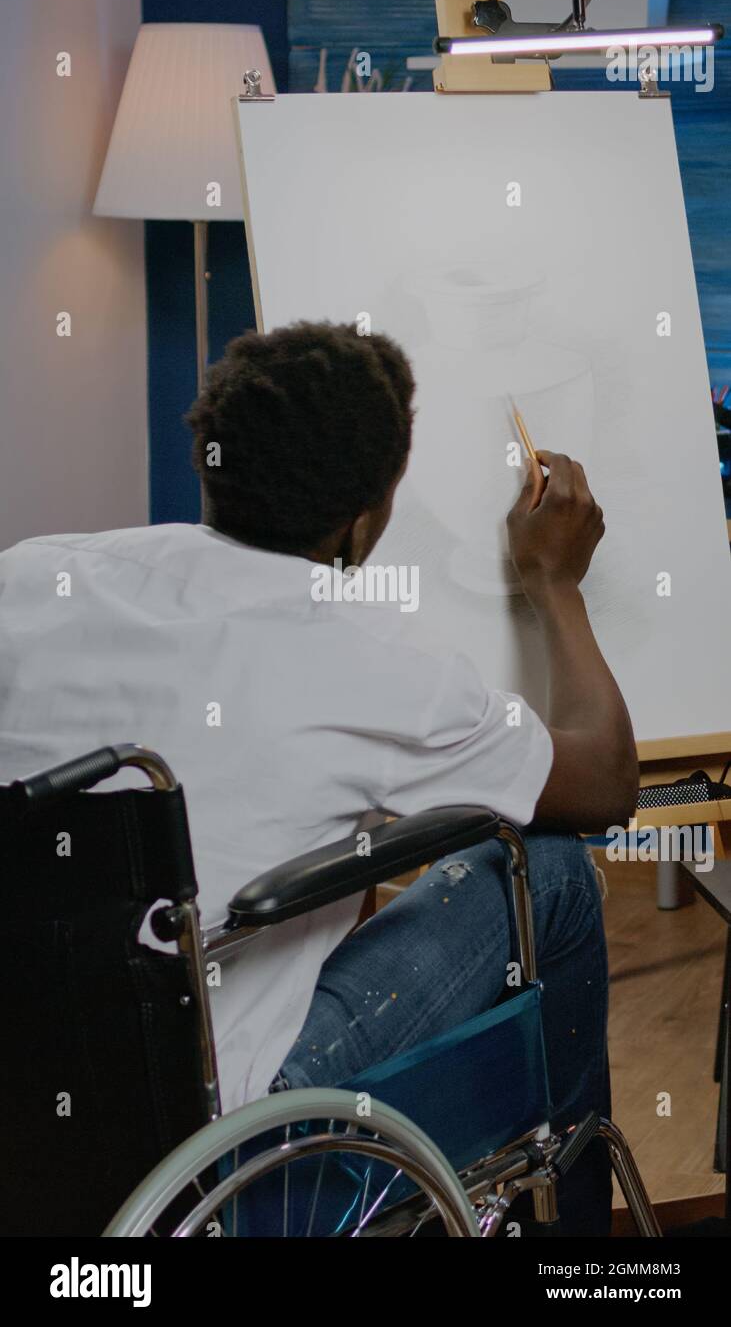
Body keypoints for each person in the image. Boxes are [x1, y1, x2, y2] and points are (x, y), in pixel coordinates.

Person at [0, 321, 637, 1234]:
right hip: (208, 1130)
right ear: (365, 516)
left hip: (29, 1094)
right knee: (557, 876)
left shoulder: (30, 580)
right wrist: (554, 584)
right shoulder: (371, 656)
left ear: (209, 461)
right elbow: (607, 781)